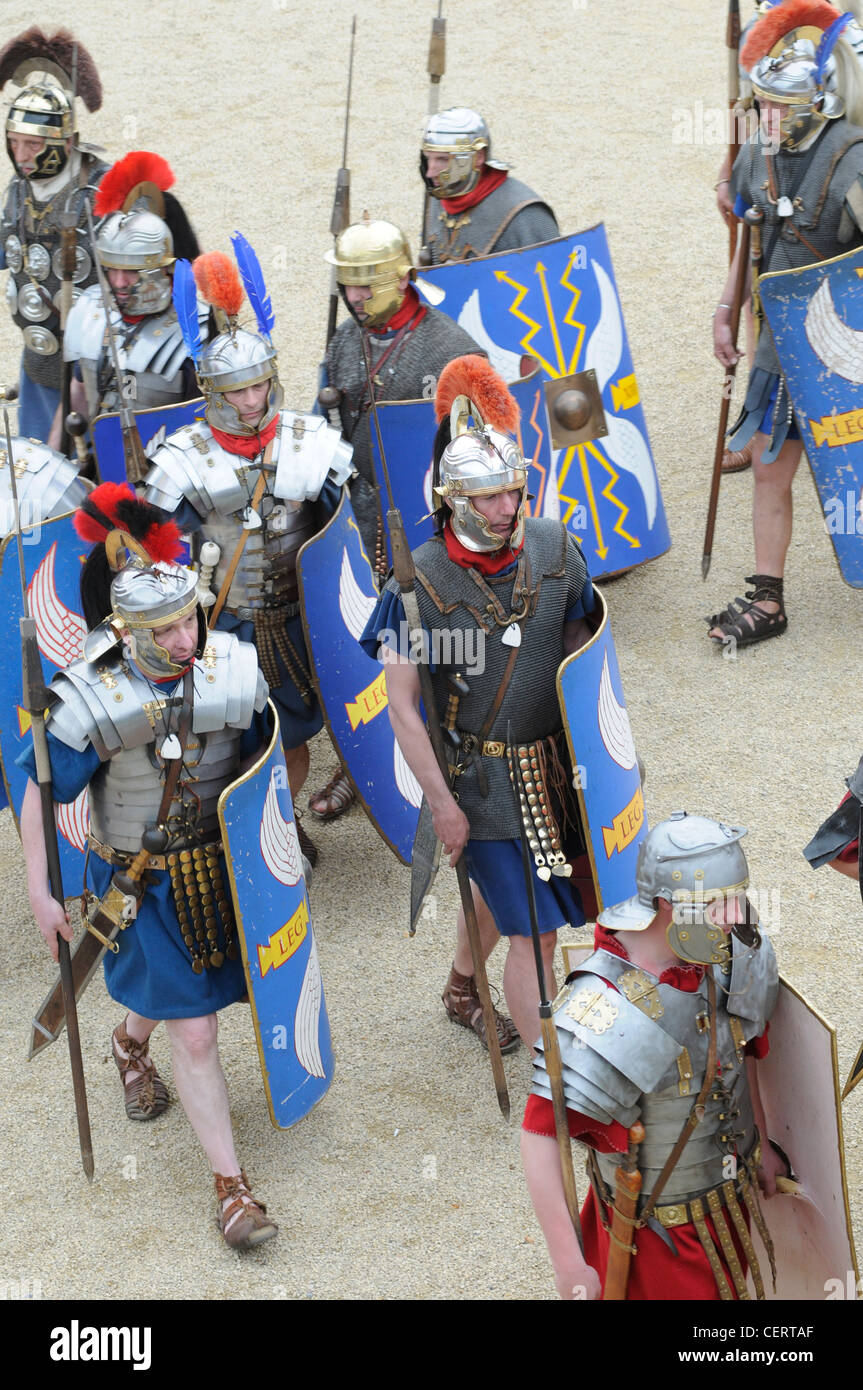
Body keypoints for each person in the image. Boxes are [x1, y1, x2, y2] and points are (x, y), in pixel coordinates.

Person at [19, 487, 279, 1247]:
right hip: (141, 884)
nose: (185, 638)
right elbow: (38, 789)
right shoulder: (91, 696)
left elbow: (263, 766)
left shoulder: (231, 665)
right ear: (127, 631)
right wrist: (41, 887)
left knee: (190, 997)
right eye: (165, 629)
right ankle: (232, 1191)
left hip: (223, 872)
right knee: (195, 1033)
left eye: (189, 618)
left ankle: (130, 1041)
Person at [360, 355, 597, 1054]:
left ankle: (463, 983)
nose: (506, 509)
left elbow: (587, 646)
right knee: (537, 930)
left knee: (534, 904)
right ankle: (555, 1078)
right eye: (488, 498)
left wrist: (603, 749)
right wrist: (440, 803)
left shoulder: (553, 547)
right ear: (454, 500)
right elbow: (401, 706)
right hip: (481, 782)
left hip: (555, 767)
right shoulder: (417, 587)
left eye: (512, 494)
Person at [144, 240, 353, 867]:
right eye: (237, 392)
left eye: (259, 385)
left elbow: (344, 531)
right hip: (223, 625)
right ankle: (237, 833)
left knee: (290, 733)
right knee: (228, 736)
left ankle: (282, 827)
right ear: (212, 392)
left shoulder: (312, 443)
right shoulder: (182, 457)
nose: (252, 401)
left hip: (298, 622)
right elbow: (158, 554)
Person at [521, 812, 785, 1301]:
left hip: (727, 1201)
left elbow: (742, 1056)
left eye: (737, 896)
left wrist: (760, 1145)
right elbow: (541, 1133)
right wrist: (567, 1264)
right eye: (718, 903)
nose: (737, 915)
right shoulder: (603, 1004)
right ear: (668, 905)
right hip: (654, 1236)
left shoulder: (729, 954)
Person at [314, 215, 481, 822]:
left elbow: (482, 454)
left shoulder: (451, 351)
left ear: (398, 278)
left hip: (434, 533)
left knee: (450, 650)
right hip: (361, 529)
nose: (354, 298)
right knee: (376, 652)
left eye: (365, 285)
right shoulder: (343, 343)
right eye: (347, 285)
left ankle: (459, 757)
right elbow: (326, 432)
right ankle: (364, 763)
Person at [709, 2, 863, 647]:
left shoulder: (852, 159)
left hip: (849, 343)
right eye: (759, 104)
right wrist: (726, 310)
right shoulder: (758, 156)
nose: (761, 117)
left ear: (806, 108)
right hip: (782, 340)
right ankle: (769, 599)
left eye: (772, 107)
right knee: (772, 466)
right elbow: (751, 240)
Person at [48, 150, 208, 453]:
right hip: (102, 466)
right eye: (112, 269)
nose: (119, 282)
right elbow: (78, 397)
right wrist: (52, 457)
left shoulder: (198, 328)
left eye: (132, 272)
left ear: (162, 267)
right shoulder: (90, 311)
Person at [0, 27, 107, 442]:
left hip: (96, 366)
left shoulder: (100, 189)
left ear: (62, 140)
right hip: (41, 359)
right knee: (38, 475)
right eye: (14, 142)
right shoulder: (18, 190)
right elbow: (9, 247)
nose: (21, 155)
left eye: (32, 144)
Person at [419, 108, 558, 266]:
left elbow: (553, 279)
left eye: (443, 159)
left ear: (478, 156)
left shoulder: (526, 215)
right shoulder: (440, 196)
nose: (430, 172)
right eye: (428, 158)